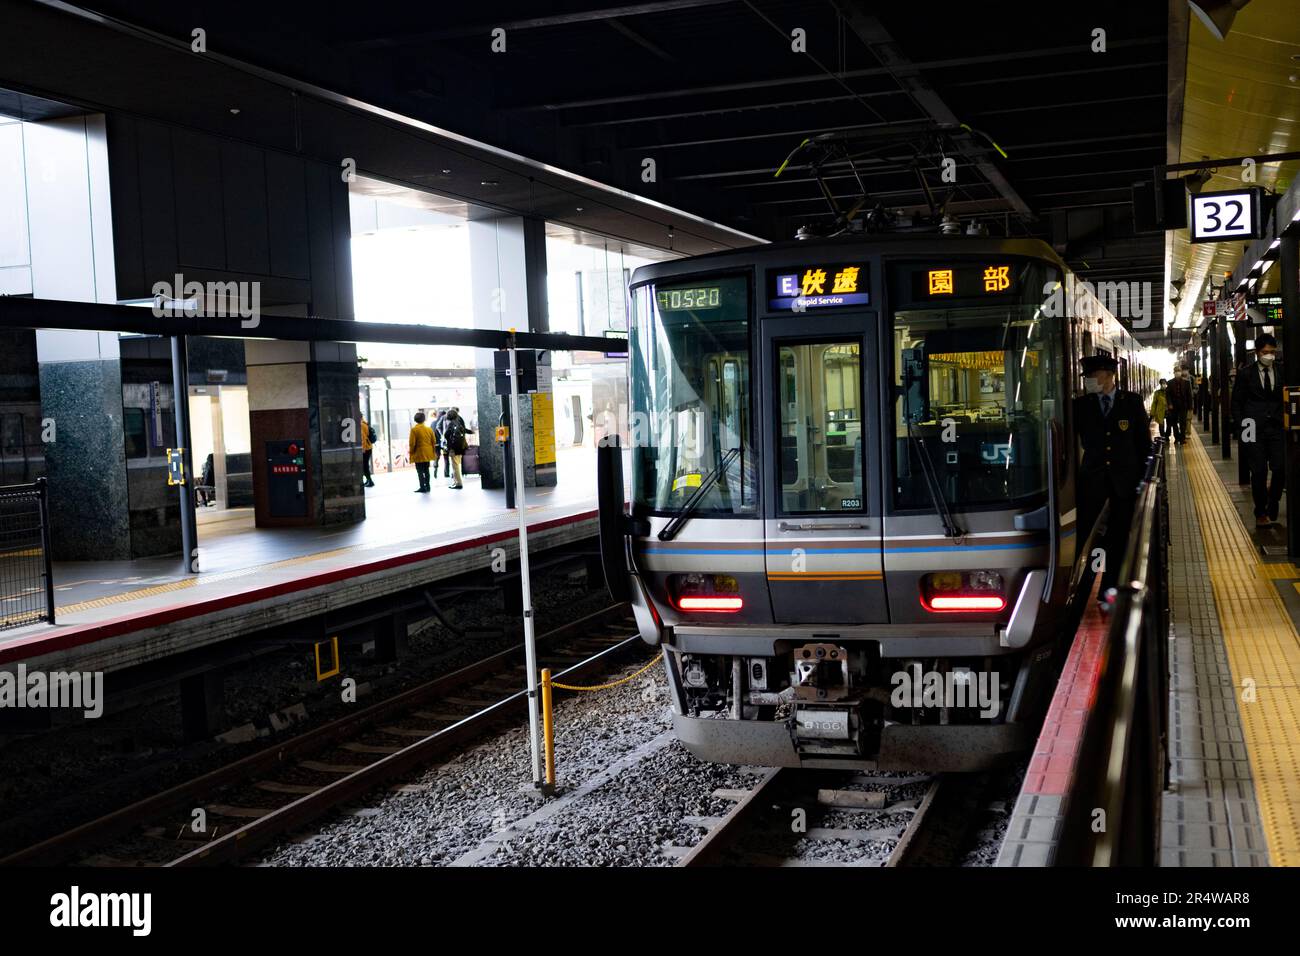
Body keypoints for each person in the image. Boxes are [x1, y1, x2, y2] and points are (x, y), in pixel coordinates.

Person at [1074, 354, 1152, 609]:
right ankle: (1083, 591)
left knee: (1119, 540)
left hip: (1124, 485)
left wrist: (1144, 480)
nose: (1088, 381)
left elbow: (1143, 444)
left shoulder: (1131, 402)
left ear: (1108, 375)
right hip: (1092, 484)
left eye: (1092, 376)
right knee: (1090, 540)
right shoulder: (1081, 406)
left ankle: (1109, 591)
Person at [1231, 333, 1285, 527]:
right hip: (1252, 428)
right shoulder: (1246, 374)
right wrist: (1241, 425)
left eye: (1272, 352)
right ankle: (1260, 510)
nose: (1269, 356)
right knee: (1259, 471)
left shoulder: (1282, 370)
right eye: (1265, 352)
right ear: (1256, 353)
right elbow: (1236, 402)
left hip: (1277, 427)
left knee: (1280, 467)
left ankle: (1274, 499)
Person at [439, 407, 474, 489]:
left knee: (455, 466)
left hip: (453, 448)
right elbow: (464, 430)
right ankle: (456, 482)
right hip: (460, 447)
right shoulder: (458, 423)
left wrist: (448, 445)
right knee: (457, 464)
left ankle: (458, 483)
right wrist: (471, 432)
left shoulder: (451, 424)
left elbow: (446, 434)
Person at [408, 411, 435, 493]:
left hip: (418, 453)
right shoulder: (429, 429)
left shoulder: (414, 430)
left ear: (415, 420)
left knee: (419, 471)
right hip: (427, 453)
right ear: (424, 419)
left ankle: (422, 487)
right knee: (426, 470)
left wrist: (411, 452)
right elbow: (434, 441)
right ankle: (428, 486)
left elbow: (412, 443)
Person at [1166, 365, 1193, 444]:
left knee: (1183, 422)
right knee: (1174, 423)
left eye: (1179, 371)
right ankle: (1176, 438)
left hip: (1183, 406)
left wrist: (1190, 407)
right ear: (1174, 373)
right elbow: (1168, 395)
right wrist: (1169, 404)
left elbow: (1189, 395)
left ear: (1181, 372)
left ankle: (1182, 439)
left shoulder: (1187, 383)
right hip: (1173, 406)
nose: (1178, 373)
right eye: (1176, 371)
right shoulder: (1170, 382)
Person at [432, 408, 450, 478]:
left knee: (436, 457)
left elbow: (431, 433)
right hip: (444, 443)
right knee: (446, 458)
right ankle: (446, 473)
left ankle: (435, 471)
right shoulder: (445, 422)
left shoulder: (433, 423)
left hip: (436, 443)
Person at [360, 416, 375, 489]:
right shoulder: (364, 423)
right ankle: (368, 480)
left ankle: (370, 481)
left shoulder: (361, 425)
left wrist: (363, 448)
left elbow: (363, 438)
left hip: (365, 448)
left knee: (364, 466)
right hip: (368, 447)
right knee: (365, 465)